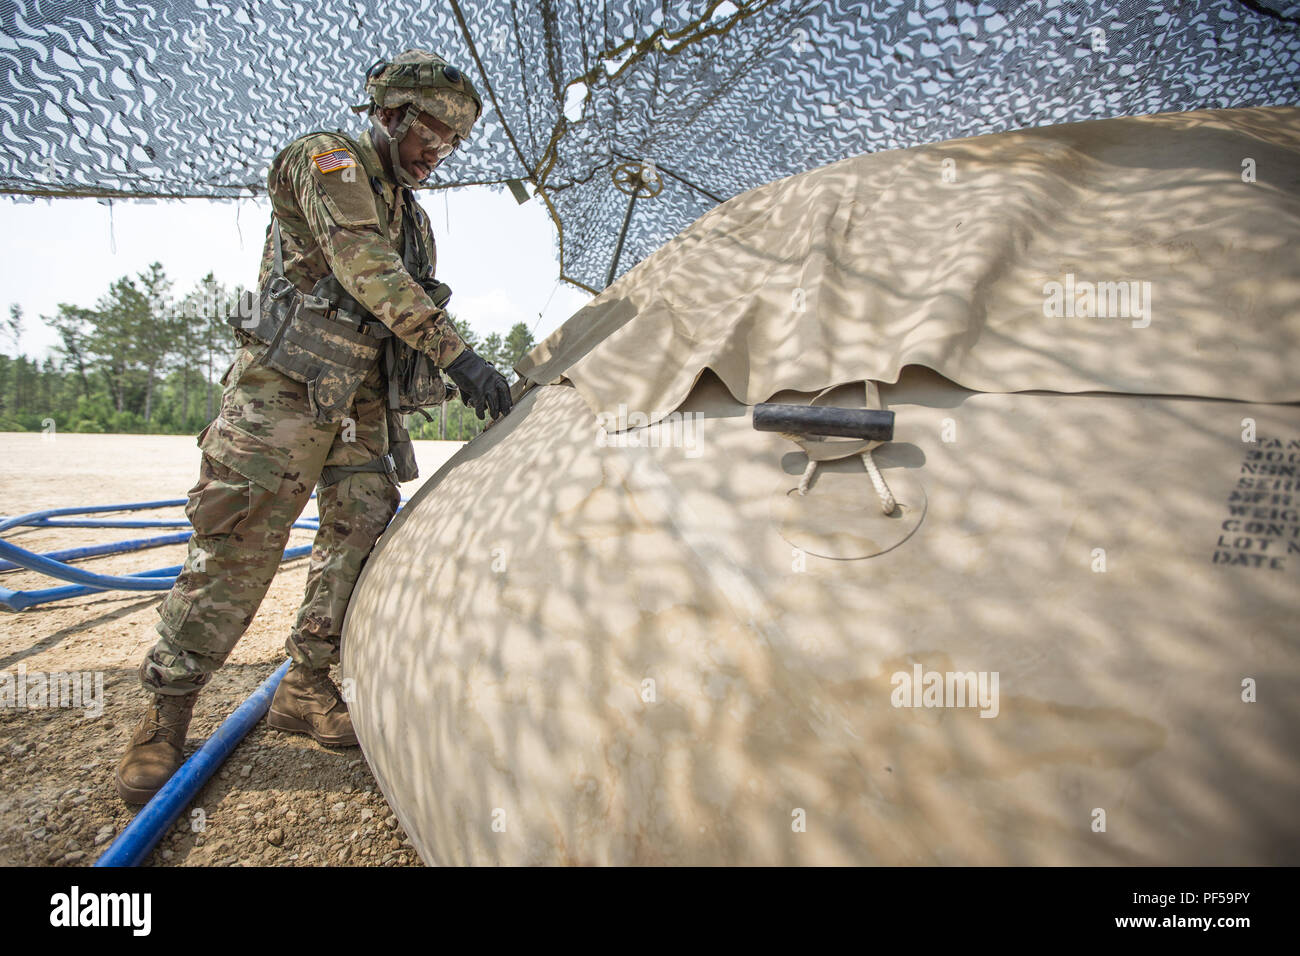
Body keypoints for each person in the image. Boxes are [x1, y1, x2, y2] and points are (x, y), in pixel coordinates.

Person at [114, 49, 512, 804]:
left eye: (454, 142)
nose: (439, 151)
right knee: (237, 547)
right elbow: (363, 265)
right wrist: (461, 359)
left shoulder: (412, 214)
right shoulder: (324, 160)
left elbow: (404, 291)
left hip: (358, 403)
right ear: (391, 114)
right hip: (285, 393)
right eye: (432, 131)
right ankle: (165, 715)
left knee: (361, 524)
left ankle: (305, 682)